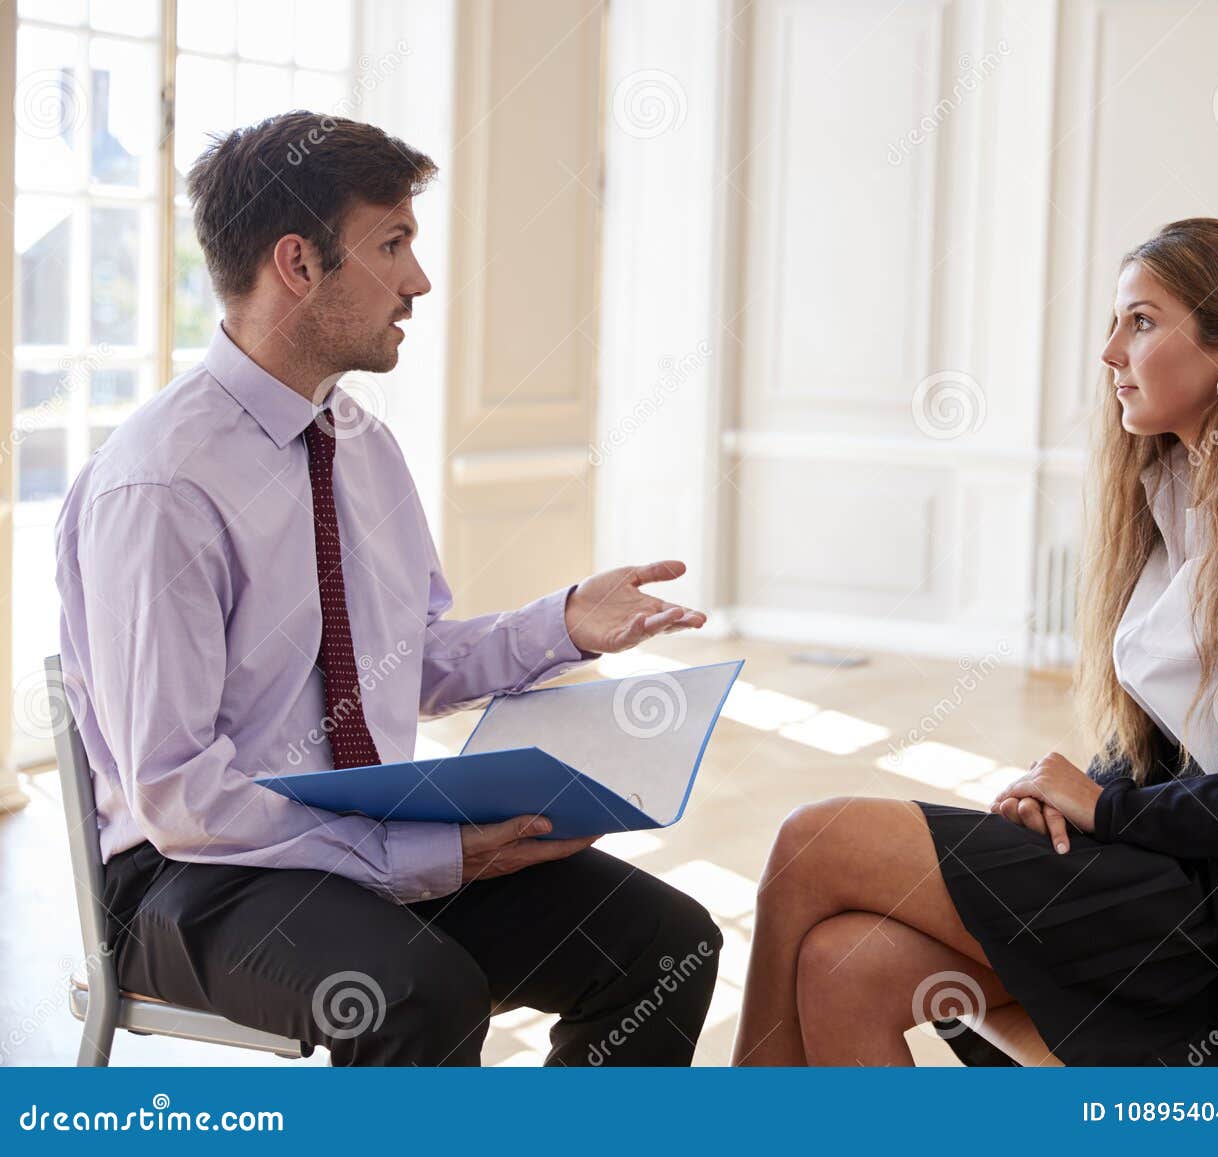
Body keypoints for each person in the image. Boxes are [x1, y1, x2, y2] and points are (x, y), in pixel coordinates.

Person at [54, 111, 721, 1066]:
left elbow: (407, 658)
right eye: (393, 243)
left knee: (665, 941)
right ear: (299, 263)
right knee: (418, 996)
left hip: (356, 833)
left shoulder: (358, 444)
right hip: (190, 876)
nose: (419, 279)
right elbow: (179, 795)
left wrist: (562, 624)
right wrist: (424, 860)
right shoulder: (160, 486)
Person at [731, 217, 1218, 1067]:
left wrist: (1107, 809)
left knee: (817, 840)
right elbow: (1177, 746)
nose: (1110, 353)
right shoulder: (1174, 496)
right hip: (1165, 880)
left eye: (1140, 321)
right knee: (841, 962)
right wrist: (1068, 794)